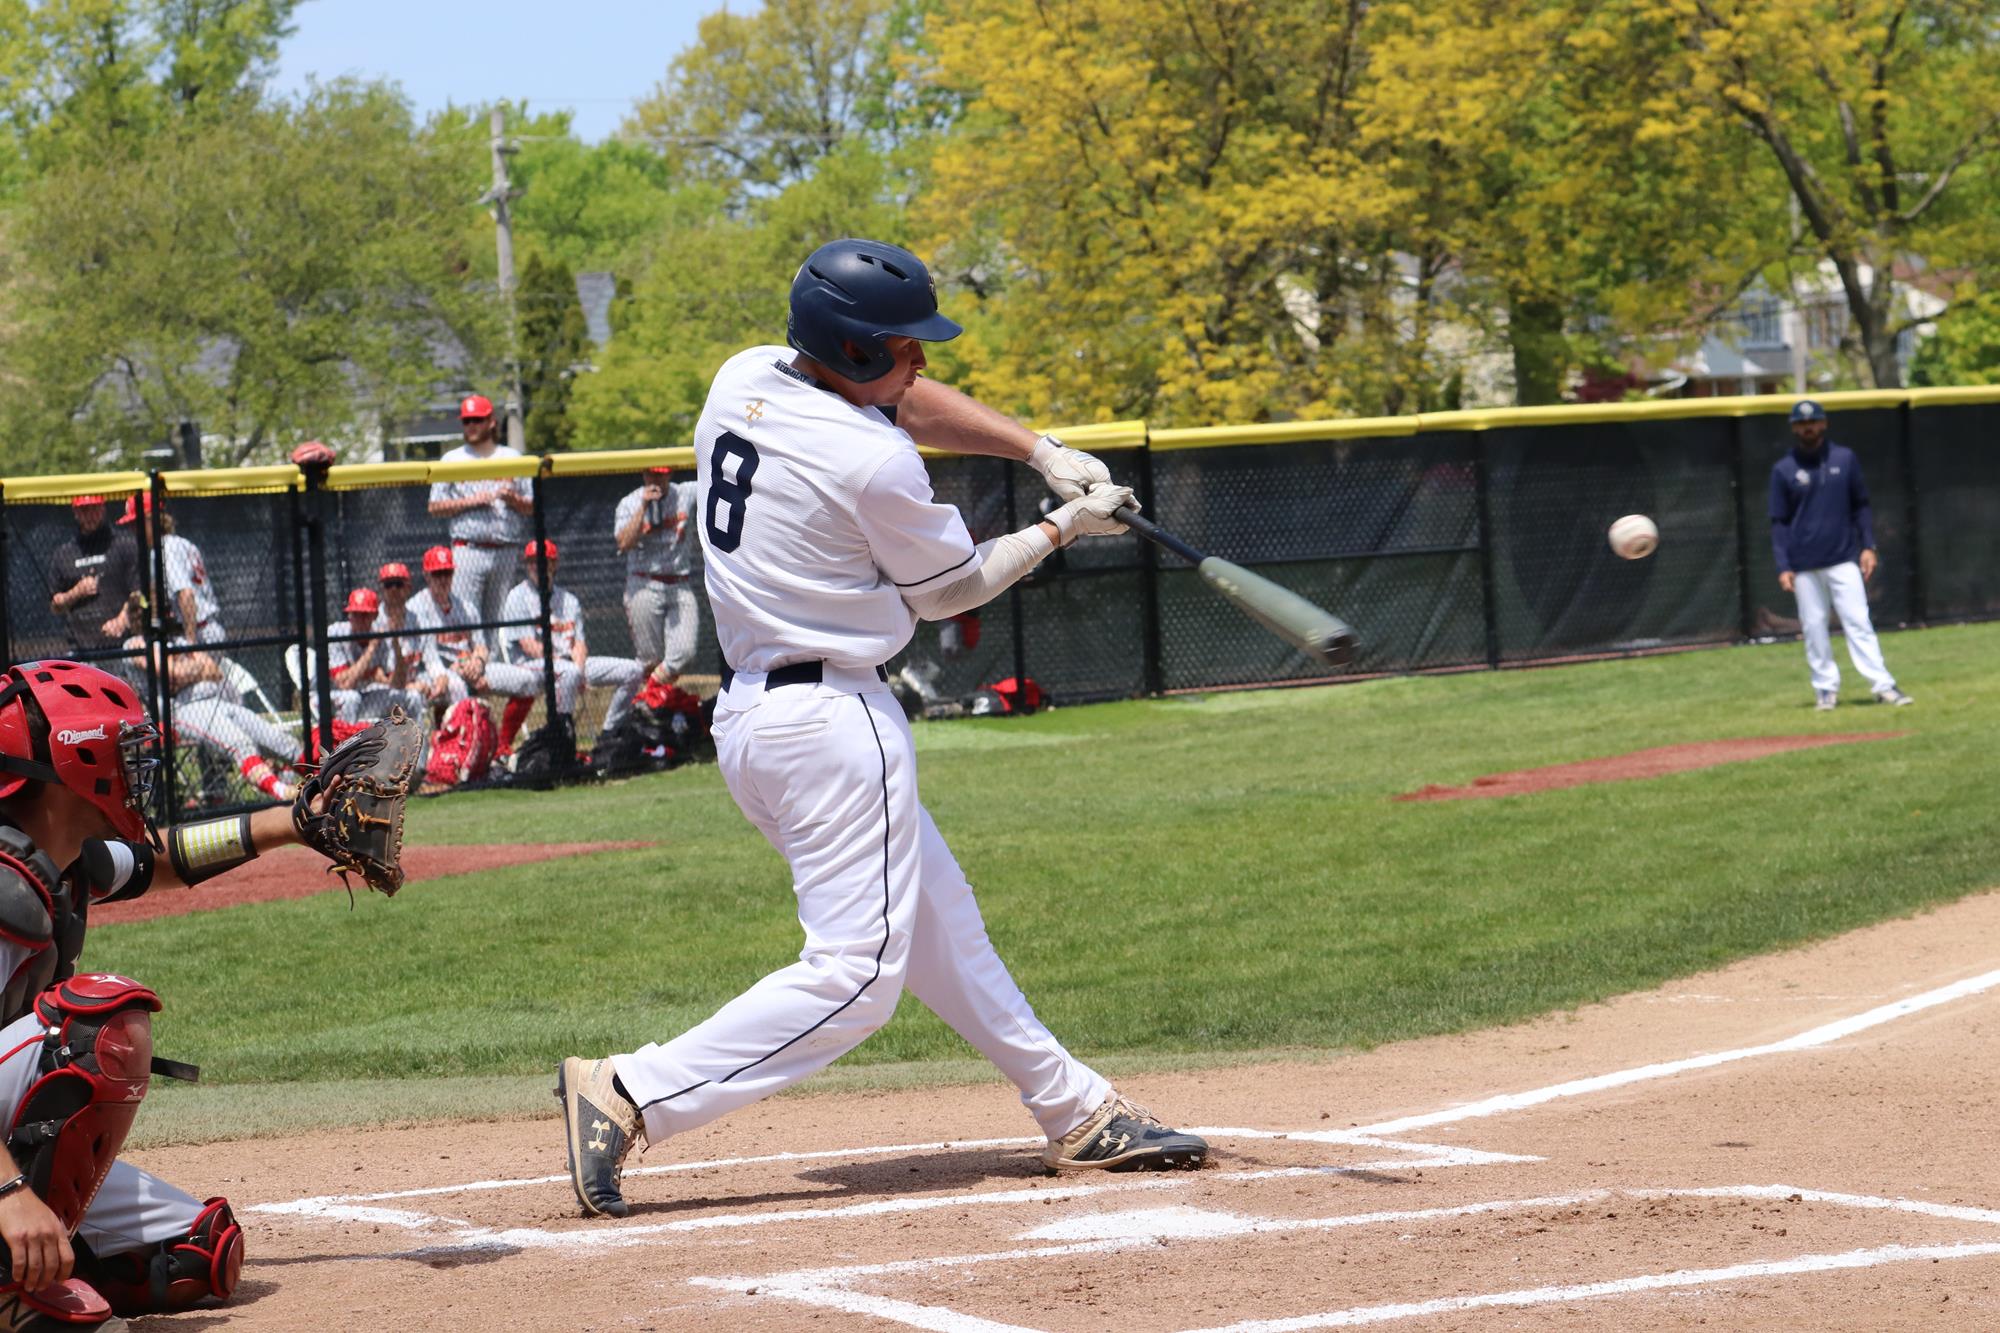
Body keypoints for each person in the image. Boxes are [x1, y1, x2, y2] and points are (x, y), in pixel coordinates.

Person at [556, 238, 1207, 1220]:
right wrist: (1061, 528)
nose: (921, 361)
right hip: (833, 724)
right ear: (856, 351)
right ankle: (631, 1089)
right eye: (904, 346)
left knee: (942, 924)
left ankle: (1077, 1110)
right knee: (857, 975)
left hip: (754, 718)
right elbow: (949, 590)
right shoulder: (872, 461)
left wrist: (1039, 450)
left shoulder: (745, 376)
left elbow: (905, 399)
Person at [0, 658, 353, 1325]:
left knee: (194, 1254)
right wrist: (11, 1191)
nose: (136, 769)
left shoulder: (58, 862)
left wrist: (293, 824)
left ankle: (35, 1263)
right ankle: (9, 1283)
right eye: (121, 751)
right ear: (75, 761)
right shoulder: (3, 883)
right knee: (97, 1027)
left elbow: (165, 861)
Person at [1769, 400, 1913, 711]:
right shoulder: (1784, 469)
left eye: (1813, 421)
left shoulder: (1844, 459)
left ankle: (1883, 685)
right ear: (1794, 428)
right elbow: (1779, 522)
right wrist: (1783, 565)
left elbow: (1861, 505)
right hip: (1804, 563)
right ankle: (1825, 689)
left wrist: (1868, 546)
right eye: (1802, 423)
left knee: (1858, 621)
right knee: (1813, 627)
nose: (1808, 427)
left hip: (1843, 557)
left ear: (1823, 423)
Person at [121, 598, 298, 804]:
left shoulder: (179, 641)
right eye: (164, 610)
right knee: (242, 744)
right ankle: (282, 793)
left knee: (284, 742)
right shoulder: (135, 644)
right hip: (181, 712)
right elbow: (171, 675)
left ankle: (316, 782)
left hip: (218, 703)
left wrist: (185, 672)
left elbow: (214, 671)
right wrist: (194, 669)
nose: (172, 614)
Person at [498, 541, 641, 749]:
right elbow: (529, 646)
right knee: (568, 673)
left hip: (571, 665)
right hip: (532, 666)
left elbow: (579, 644)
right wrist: (568, 668)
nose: (536, 566)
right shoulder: (517, 597)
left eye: (542, 561)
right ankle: (562, 738)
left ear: (554, 564)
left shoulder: (569, 600)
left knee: (633, 671)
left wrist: (579, 671)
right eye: (531, 562)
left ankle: (609, 733)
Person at [425, 394, 533, 647]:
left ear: (491, 422)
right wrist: (472, 501)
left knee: (500, 620)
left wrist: (512, 499)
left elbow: (531, 507)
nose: (471, 425)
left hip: (505, 549)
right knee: (466, 615)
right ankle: (469, 666)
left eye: (477, 420)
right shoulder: (452, 459)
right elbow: (434, 507)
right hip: (468, 549)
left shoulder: (512, 457)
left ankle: (492, 668)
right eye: (467, 421)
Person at [408, 546, 547, 724]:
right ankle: (459, 738)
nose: (443, 579)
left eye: (447, 573)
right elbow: (427, 658)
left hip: (473, 668)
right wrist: (459, 670)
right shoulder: (416, 608)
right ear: (427, 576)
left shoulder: (466, 608)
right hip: (436, 674)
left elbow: (481, 646)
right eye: (437, 574)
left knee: (527, 680)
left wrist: (478, 664)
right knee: (456, 686)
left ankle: (504, 739)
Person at [613, 466, 701, 685]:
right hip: (643, 583)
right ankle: (657, 702)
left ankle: (649, 694)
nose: (656, 479)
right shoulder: (630, 502)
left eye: (661, 474)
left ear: (669, 474)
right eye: (652, 474)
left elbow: (714, 481)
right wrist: (643, 506)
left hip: (679, 583)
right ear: (644, 475)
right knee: (650, 659)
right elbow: (623, 543)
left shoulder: (685, 492)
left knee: (685, 653)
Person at [116, 495, 222, 645]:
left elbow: (186, 593)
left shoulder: (166, 548)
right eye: (131, 524)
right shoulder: (179, 543)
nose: (133, 529)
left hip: (199, 632)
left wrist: (191, 643)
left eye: (137, 523)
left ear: (153, 519)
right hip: (201, 628)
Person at [47, 496, 139, 657]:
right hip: (80, 648)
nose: (90, 515)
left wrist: (122, 620)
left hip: (122, 645)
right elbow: (55, 606)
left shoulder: (124, 544)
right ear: (75, 512)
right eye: (84, 510)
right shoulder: (64, 554)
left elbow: (138, 591)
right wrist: (76, 592)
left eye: (94, 509)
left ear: (103, 509)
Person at [325, 588, 420, 725]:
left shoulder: (382, 637)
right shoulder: (336, 634)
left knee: (413, 697)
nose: (359, 620)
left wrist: (395, 642)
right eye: (355, 614)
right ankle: (346, 739)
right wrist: (371, 648)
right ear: (349, 616)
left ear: (374, 616)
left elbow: (397, 684)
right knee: (351, 698)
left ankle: (418, 739)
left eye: (364, 615)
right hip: (331, 699)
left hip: (367, 699)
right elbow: (344, 684)